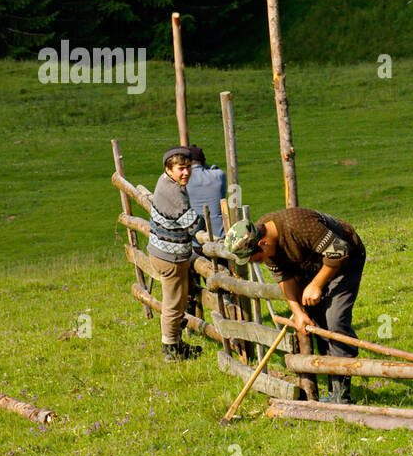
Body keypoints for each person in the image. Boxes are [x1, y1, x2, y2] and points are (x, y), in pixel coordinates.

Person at [223, 208, 365, 405]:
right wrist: (298, 313)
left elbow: (339, 252)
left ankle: (343, 395)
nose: (259, 262)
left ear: (262, 244)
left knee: (335, 320)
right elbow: (284, 277)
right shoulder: (264, 241)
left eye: (256, 258)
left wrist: (316, 285)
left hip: (345, 259)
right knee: (318, 323)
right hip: (313, 265)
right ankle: (334, 392)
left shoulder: (298, 226)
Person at [147, 146, 204, 362]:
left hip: (164, 251)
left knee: (178, 299)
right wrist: (203, 225)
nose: (186, 172)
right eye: (181, 169)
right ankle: (171, 349)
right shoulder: (174, 192)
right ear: (169, 169)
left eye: (188, 168)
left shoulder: (166, 182)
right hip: (169, 257)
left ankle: (177, 343)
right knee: (173, 303)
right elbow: (192, 226)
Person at [183, 144, 228, 316]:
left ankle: (193, 319)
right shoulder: (218, 175)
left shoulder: (184, 180)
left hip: (195, 243)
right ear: (203, 161)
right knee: (224, 284)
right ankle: (227, 313)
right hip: (219, 240)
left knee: (193, 286)